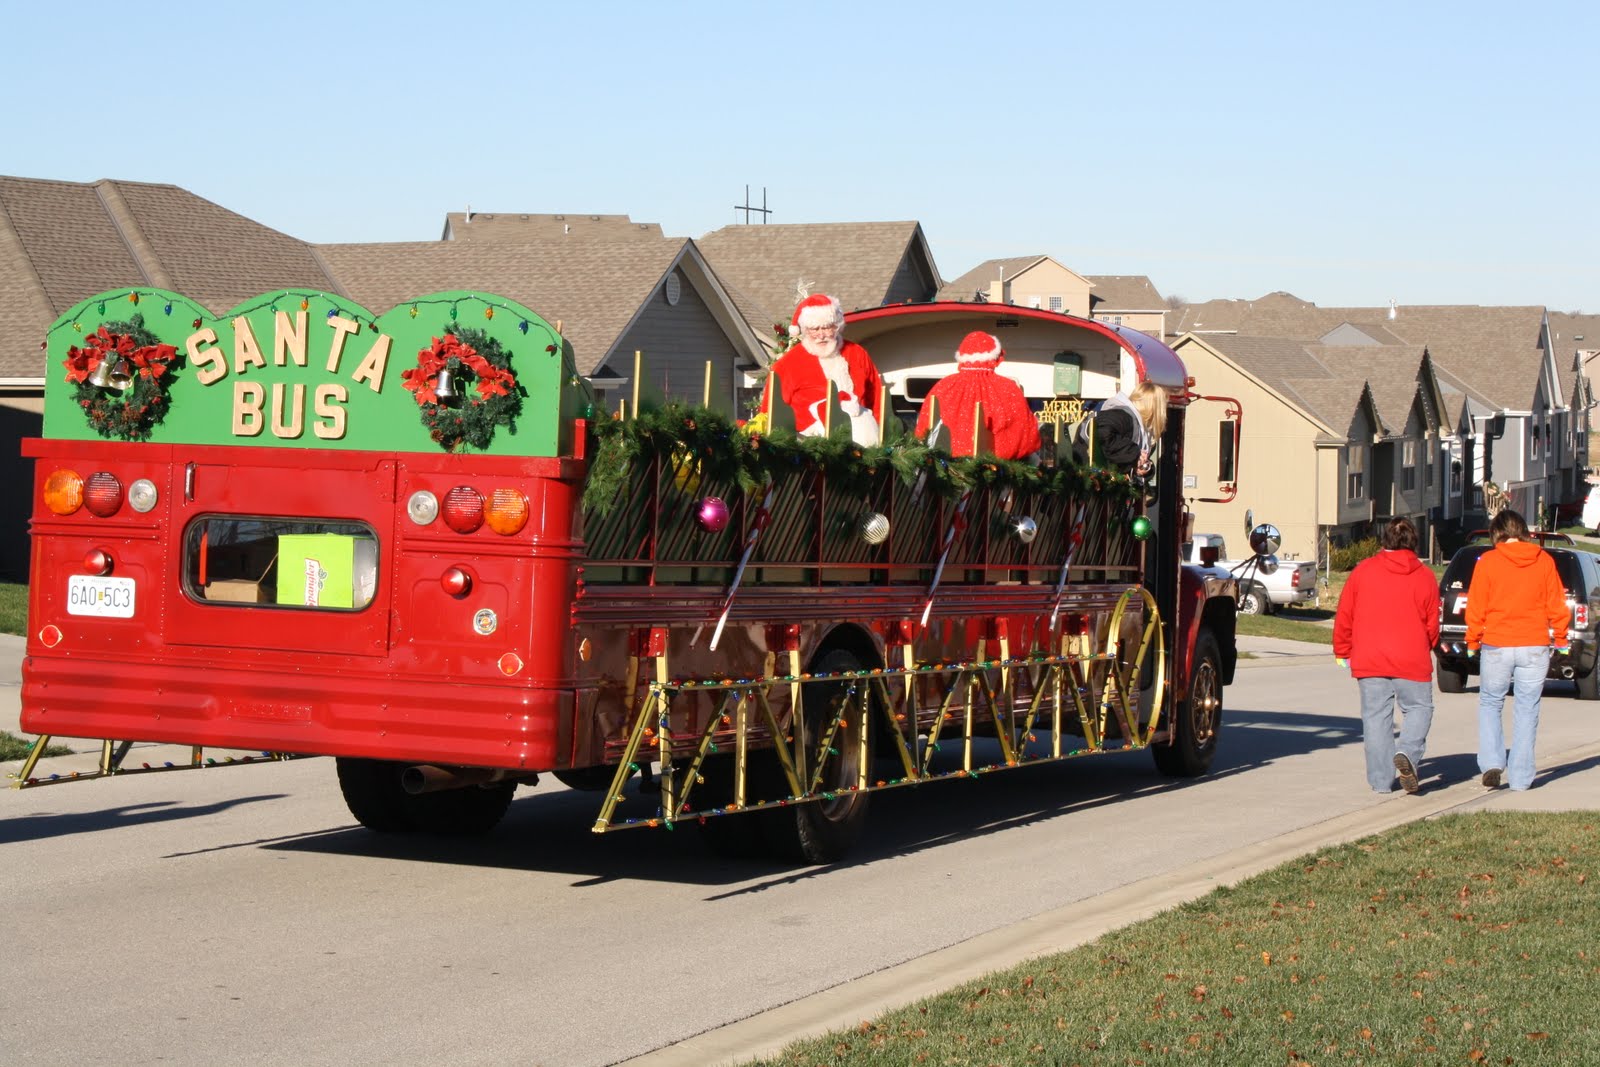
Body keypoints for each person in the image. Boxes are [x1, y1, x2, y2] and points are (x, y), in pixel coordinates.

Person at [1332, 517, 1441, 794]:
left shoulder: (1363, 571)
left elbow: (1346, 614)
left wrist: (1342, 649)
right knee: (1419, 709)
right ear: (1413, 541)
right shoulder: (1425, 576)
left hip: (1370, 658)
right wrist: (1427, 644)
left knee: (1375, 719)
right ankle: (1406, 752)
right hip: (1411, 657)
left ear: (1385, 540)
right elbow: (1432, 622)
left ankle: (1381, 781)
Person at [1465, 508, 1571, 790]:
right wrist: (1560, 638)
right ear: (1523, 531)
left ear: (1496, 534)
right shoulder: (1544, 561)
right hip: (1534, 644)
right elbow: (1557, 604)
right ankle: (1521, 778)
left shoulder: (1488, 561)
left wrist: (1473, 640)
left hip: (1498, 643)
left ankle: (1492, 762)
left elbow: (1477, 605)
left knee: (1491, 702)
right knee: (1527, 708)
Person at [761, 293, 883, 446]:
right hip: (811, 449)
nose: (821, 335)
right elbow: (770, 411)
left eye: (826, 327)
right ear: (805, 330)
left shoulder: (856, 354)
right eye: (814, 329)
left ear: (837, 326)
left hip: (865, 447)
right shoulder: (788, 364)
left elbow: (876, 398)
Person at [914, 331, 1041, 461]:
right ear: (995, 356)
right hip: (996, 472)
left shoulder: (942, 387)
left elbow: (923, 431)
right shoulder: (1009, 388)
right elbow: (1026, 436)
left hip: (946, 471)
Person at [1074, 381, 1167, 475]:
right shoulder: (1125, 416)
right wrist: (1135, 454)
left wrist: (1141, 467)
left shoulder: (1138, 425)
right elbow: (1102, 431)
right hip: (1090, 476)